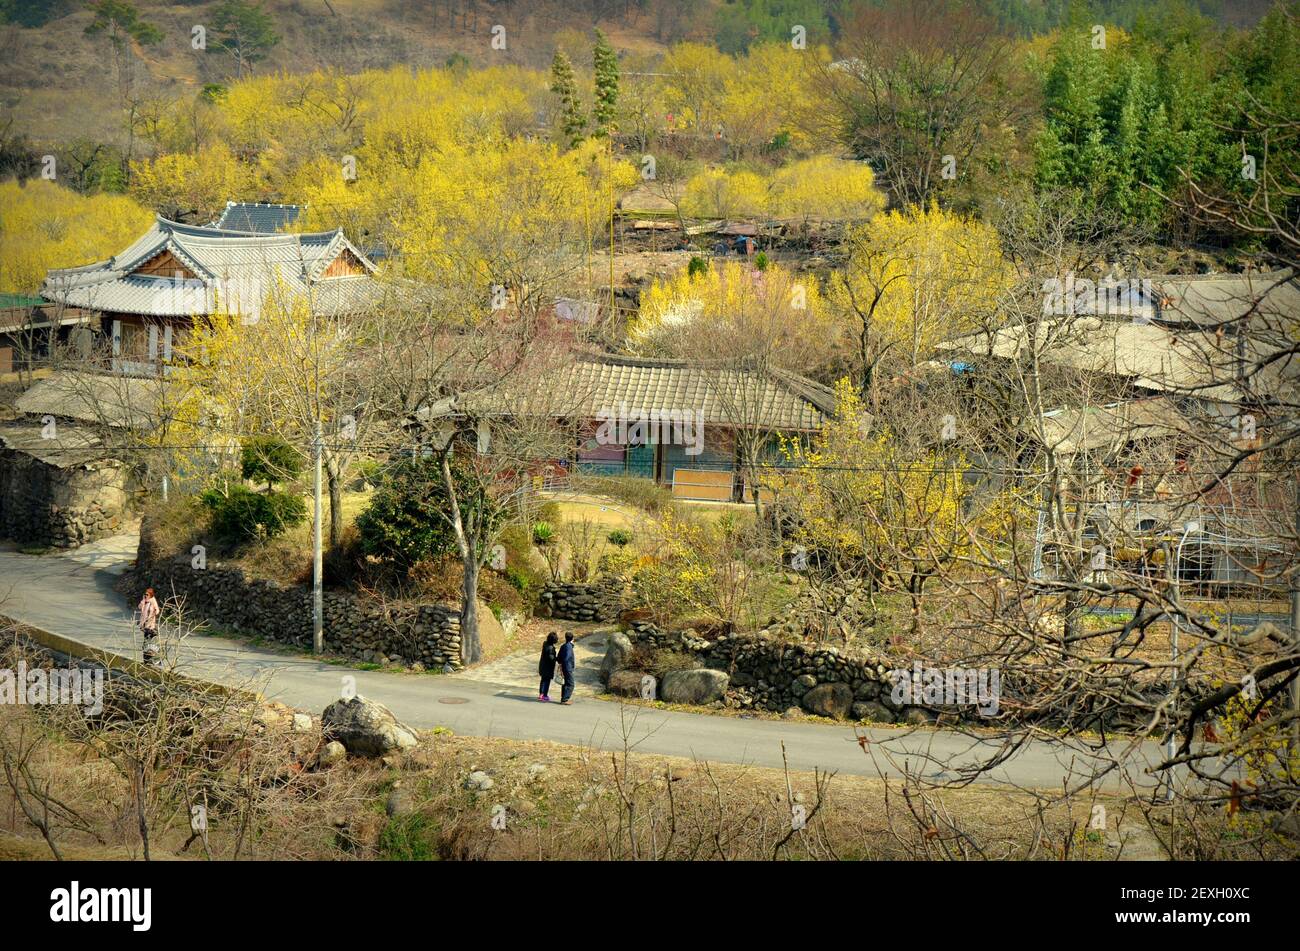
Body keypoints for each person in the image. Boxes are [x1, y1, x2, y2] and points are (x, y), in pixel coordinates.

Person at [138, 588, 161, 665]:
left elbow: (157, 611)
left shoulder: (153, 601)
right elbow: (139, 607)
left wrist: (154, 611)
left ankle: (147, 653)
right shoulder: (144, 601)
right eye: (145, 594)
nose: (145, 595)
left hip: (150, 623)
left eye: (147, 594)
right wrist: (143, 601)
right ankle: (146, 651)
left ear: (151, 595)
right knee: (146, 636)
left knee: (149, 636)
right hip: (144, 622)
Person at [556, 631, 576, 705]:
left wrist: (561, 664)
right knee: (571, 684)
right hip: (568, 668)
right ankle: (565, 699)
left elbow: (558, 658)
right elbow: (567, 657)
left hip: (564, 667)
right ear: (572, 639)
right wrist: (566, 664)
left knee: (565, 683)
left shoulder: (563, 646)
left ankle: (563, 698)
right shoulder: (569, 647)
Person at [537, 632, 558, 702]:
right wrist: (557, 659)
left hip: (542, 665)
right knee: (547, 681)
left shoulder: (545, 643)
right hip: (548, 667)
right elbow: (552, 658)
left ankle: (541, 694)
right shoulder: (550, 648)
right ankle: (544, 695)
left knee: (543, 680)